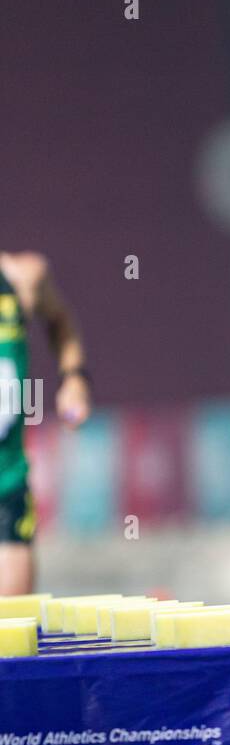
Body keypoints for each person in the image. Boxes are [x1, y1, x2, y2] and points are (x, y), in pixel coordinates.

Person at [0, 250, 91, 595]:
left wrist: (74, 379)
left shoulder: (23, 277)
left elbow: (59, 319)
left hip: (6, 487)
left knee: (9, 634)